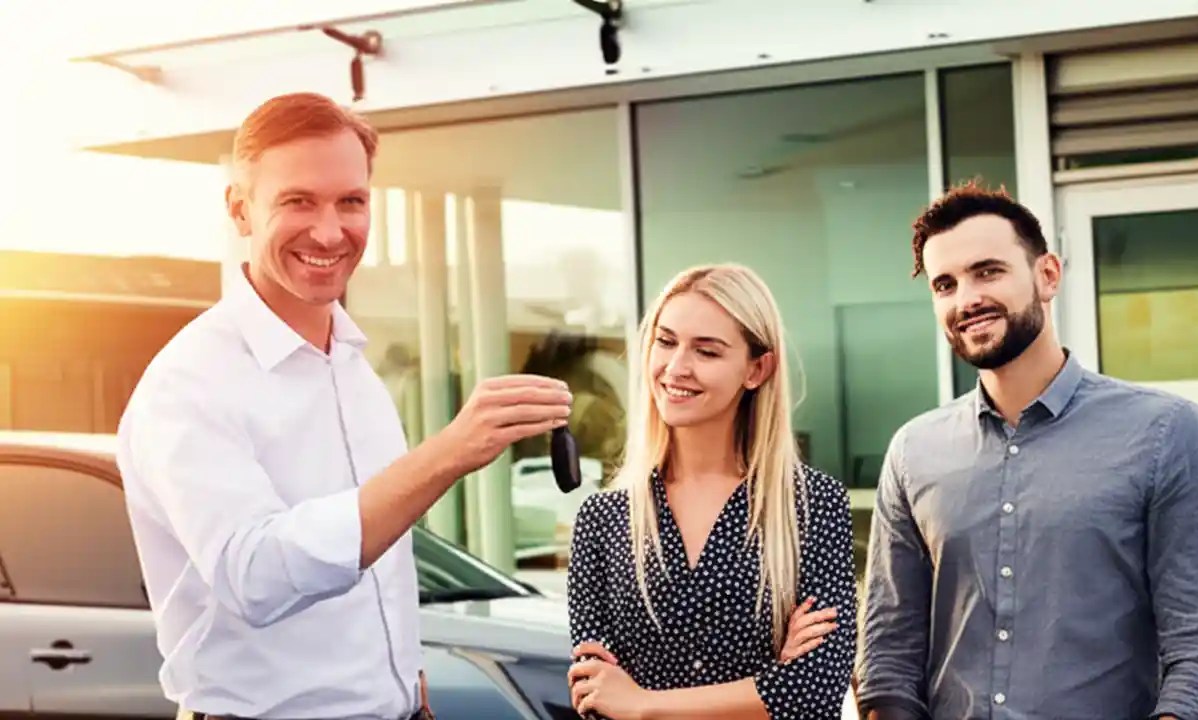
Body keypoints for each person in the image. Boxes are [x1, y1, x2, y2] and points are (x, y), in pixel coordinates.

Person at [116, 92, 572, 720]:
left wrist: (406, 687)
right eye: (298, 201)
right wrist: (447, 453)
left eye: (351, 202)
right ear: (240, 209)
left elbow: (379, 573)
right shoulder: (188, 383)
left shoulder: (353, 368)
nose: (330, 232)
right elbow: (255, 576)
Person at [855, 182, 1198, 719]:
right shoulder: (914, 452)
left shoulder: (1166, 432)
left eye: (988, 272)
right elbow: (888, 658)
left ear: (1048, 275)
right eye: (945, 284)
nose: (966, 300)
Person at [565, 263, 857, 720]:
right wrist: (769, 684)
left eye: (706, 351)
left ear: (757, 369)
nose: (676, 367)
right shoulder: (603, 519)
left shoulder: (812, 506)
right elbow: (597, 697)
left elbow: (815, 690)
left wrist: (643, 704)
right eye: (666, 342)